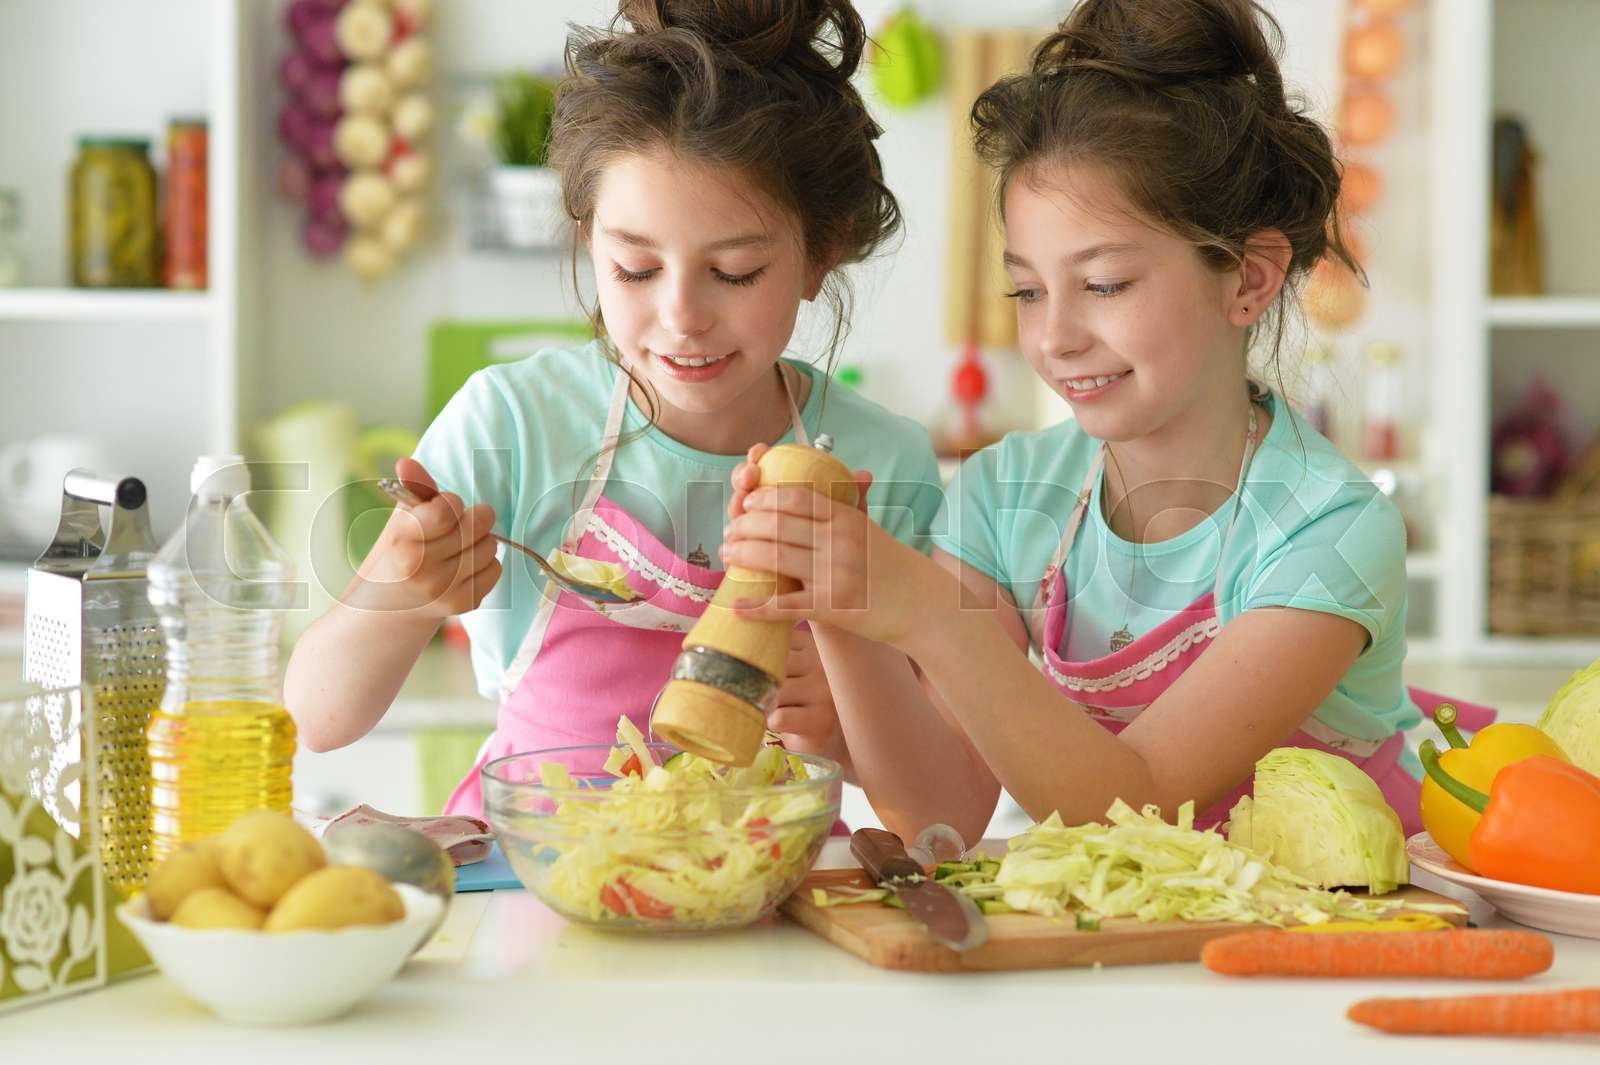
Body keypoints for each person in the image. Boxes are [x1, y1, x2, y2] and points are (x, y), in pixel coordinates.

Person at [722, 0, 1456, 845]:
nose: (1055, 337)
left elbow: (1137, 802)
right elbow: (943, 813)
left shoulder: (1330, 530)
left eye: (1104, 284)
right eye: (1028, 291)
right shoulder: (1006, 494)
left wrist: (923, 611)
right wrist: (846, 604)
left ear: (1249, 280)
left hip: (1321, 942)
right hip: (1123, 945)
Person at [284, 0, 942, 817]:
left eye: (734, 272)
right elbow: (317, 717)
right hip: (535, 889)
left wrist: (848, 720)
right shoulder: (514, 425)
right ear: (589, 238)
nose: (682, 316)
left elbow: (935, 812)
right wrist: (402, 589)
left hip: (765, 914)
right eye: (635, 268)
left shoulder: (885, 461)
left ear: (822, 252)